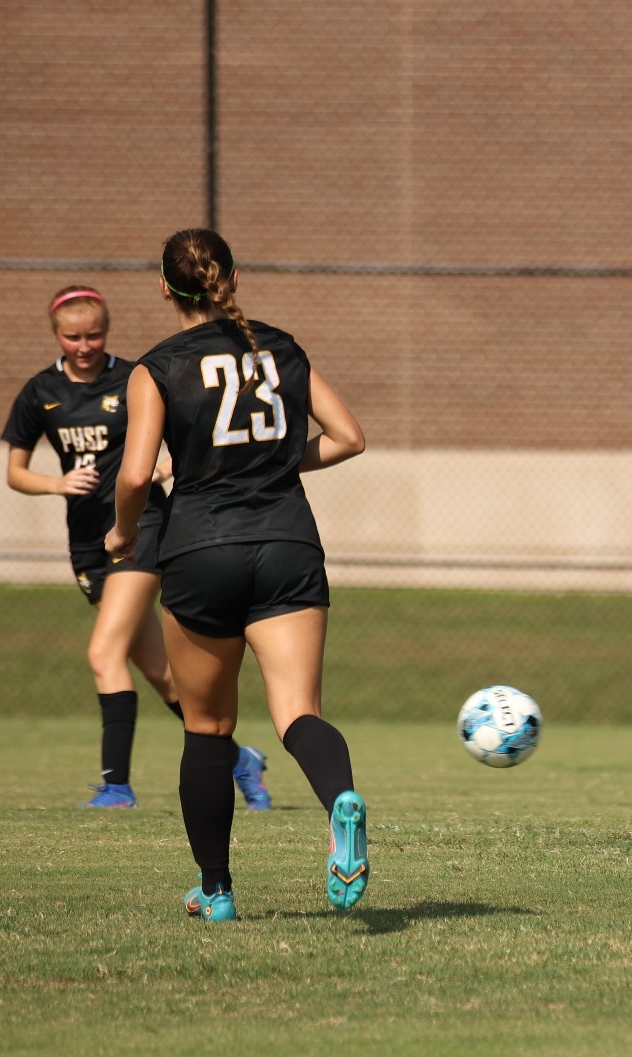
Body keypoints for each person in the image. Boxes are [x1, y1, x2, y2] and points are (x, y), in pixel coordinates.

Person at [107, 228, 368, 920]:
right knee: (298, 711)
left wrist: (123, 532)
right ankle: (340, 800)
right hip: (287, 543)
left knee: (208, 726)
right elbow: (348, 437)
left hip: (201, 550)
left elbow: (134, 475)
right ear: (233, 277)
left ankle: (217, 891)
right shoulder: (280, 348)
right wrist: (274, 466)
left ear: (164, 288)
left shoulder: (155, 368)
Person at [2, 286, 271, 813]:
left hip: (140, 528)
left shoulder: (135, 377)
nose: (84, 345)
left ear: (107, 330)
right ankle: (241, 760)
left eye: (94, 335)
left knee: (103, 654)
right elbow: (15, 472)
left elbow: (188, 432)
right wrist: (57, 484)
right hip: (86, 543)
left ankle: (117, 787)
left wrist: (167, 465)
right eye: (73, 337)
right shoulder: (40, 392)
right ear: (56, 335)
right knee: (161, 673)